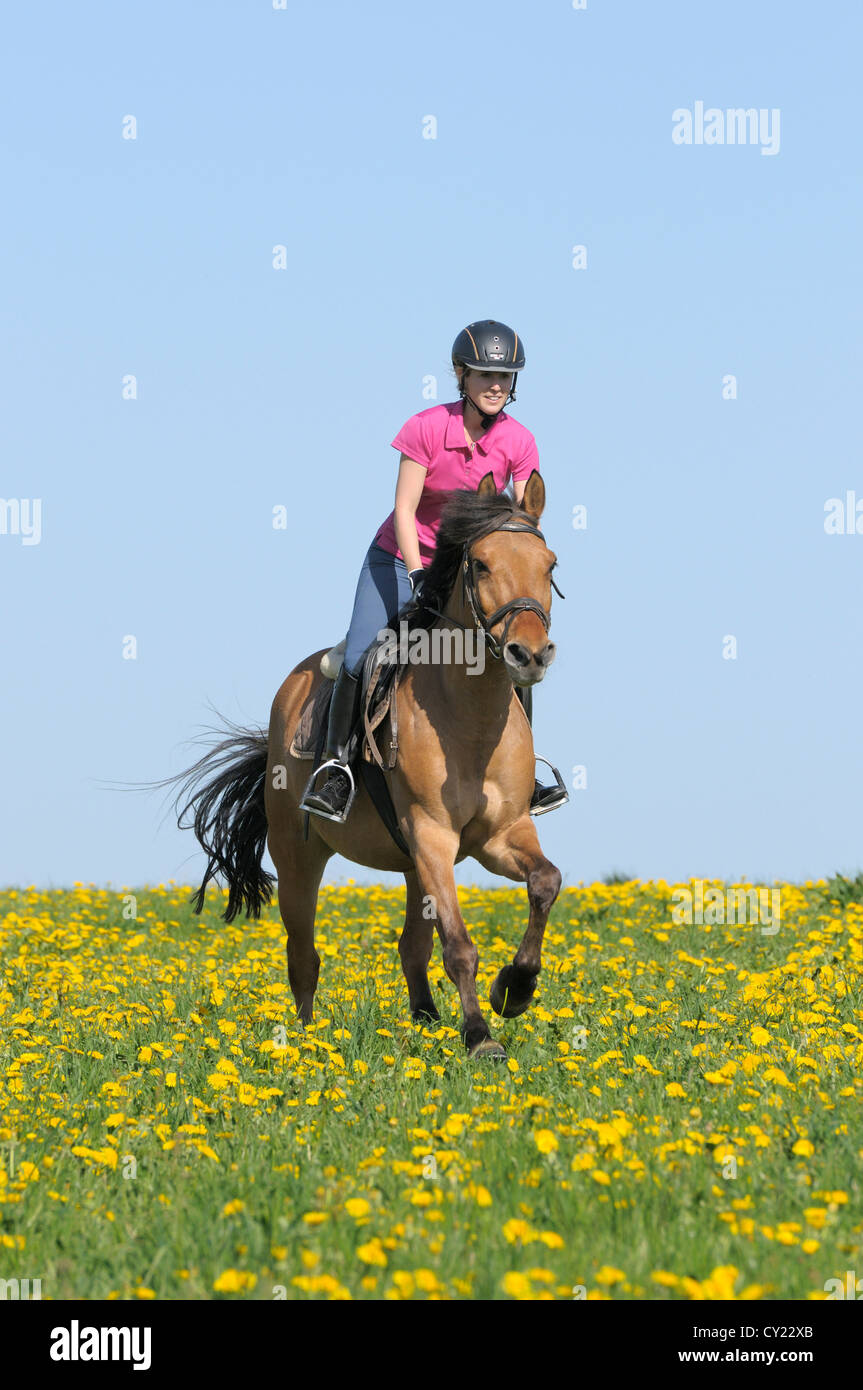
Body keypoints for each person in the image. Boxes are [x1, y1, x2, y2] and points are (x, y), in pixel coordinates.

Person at [299, 319, 568, 822]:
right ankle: (335, 771)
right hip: (401, 558)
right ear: (461, 375)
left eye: (505, 377)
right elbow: (405, 509)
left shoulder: (520, 441)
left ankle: (524, 772)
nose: (495, 385)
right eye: (485, 374)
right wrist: (420, 572)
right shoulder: (425, 428)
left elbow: (524, 516)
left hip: (471, 571)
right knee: (364, 654)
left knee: (515, 651)